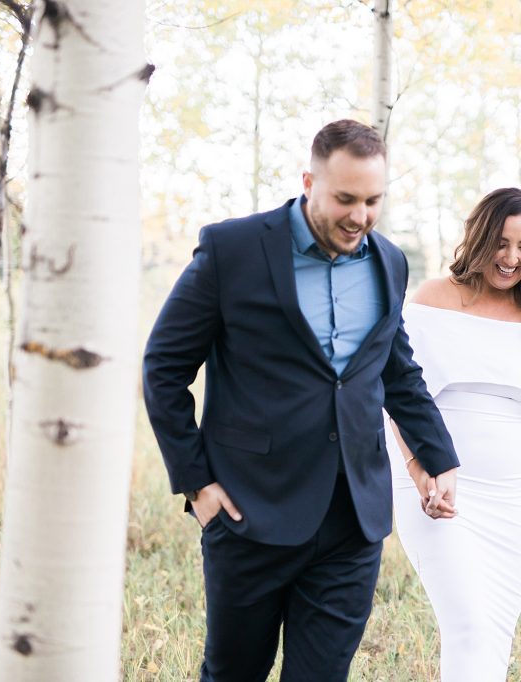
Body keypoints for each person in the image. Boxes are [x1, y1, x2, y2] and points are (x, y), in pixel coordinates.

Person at [142, 119, 460, 682]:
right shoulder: (231, 248)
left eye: (373, 201)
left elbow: (395, 369)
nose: (360, 216)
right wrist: (196, 482)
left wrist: (439, 456)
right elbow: (164, 366)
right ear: (308, 181)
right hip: (249, 513)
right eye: (345, 198)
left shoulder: (390, 262)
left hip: (352, 521)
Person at [386, 187, 521, 681]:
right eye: (503, 242)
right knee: (469, 625)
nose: (512, 258)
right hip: (436, 485)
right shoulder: (431, 301)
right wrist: (421, 469)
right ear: (480, 237)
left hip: (510, 497)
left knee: (494, 634)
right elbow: (402, 396)